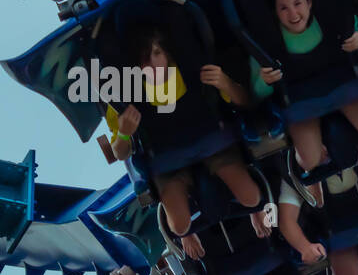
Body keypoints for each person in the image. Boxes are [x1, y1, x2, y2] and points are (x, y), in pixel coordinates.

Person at [106, 27, 270, 258]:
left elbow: (243, 100)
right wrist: (124, 134)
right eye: (144, 61)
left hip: (214, 148)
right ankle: (182, 227)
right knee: (180, 225)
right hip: (170, 164)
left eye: (156, 54)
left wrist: (225, 83)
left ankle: (255, 209)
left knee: (252, 198)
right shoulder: (128, 97)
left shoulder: (192, 71)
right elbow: (120, 152)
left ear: (168, 54)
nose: (153, 64)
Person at [250, 0, 358, 203]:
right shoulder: (265, 41)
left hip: (343, 86)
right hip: (300, 100)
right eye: (283, 8)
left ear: (309, 3)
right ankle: (315, 168)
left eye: (297, 4)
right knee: (309, 161)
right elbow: (256, 93)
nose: (293, 14)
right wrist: (264, 81)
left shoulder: (335, 18)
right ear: (275, 13)